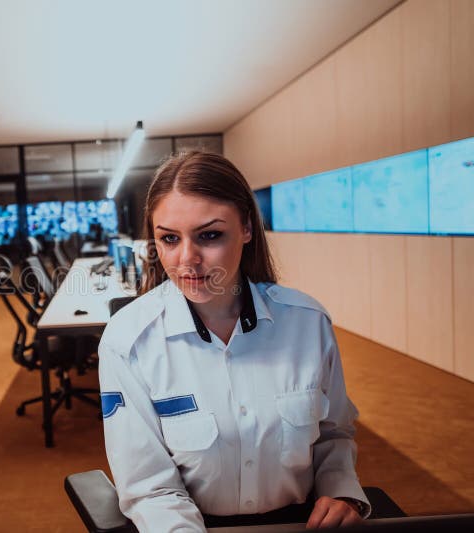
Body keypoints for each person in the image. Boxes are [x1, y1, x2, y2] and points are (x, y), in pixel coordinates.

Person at [98, 151, 369, 532]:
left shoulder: (308, 323)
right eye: (169, 239)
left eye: (210, 235)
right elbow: (150, 489)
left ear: (246, 228)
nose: (187, 259)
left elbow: (333, 434)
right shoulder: (127, 341)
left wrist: (341, 491)